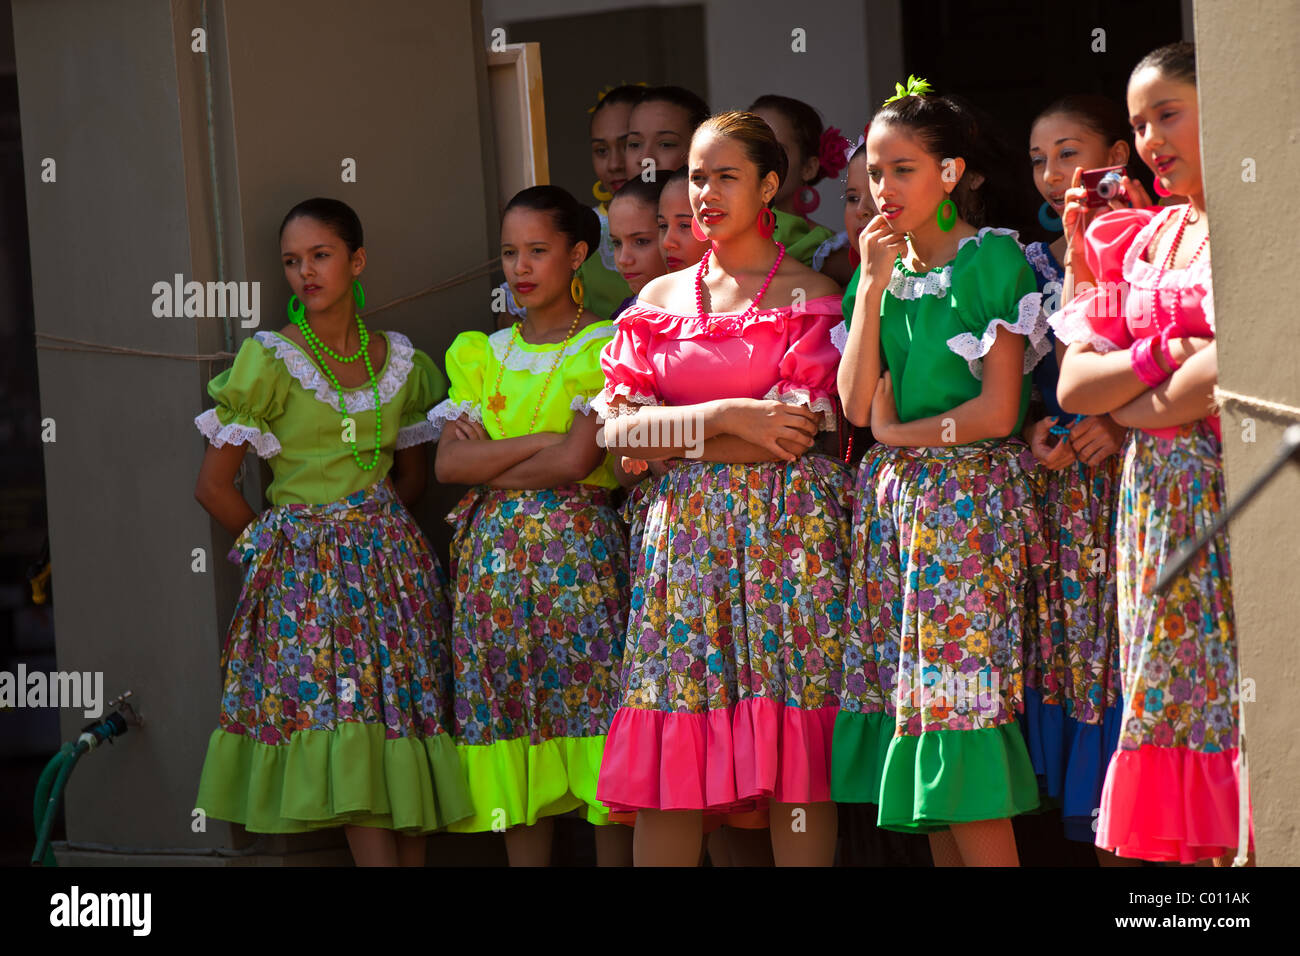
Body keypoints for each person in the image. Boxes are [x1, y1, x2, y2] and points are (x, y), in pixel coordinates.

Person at [593, 110, 849, 867]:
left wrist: (671, 430)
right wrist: (735, 414)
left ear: (770, 186)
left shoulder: (810, 295)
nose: (705, 192)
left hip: (787, 547)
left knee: (795, 759)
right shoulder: (656, 303)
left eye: (724, 176)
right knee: (673, 748)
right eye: (697, 176)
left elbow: (797, 435)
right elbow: (616, 434)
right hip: (682, 556)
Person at [192, 198, 472, 865]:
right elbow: (213, 486)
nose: (304, 273)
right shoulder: (269, 358)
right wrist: (282, 545)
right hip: (307, 578)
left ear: (357, 260)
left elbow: (414, 478)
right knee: (346, 726)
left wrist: (376, 530)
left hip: (395, 574)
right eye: (292, 261)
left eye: (320, 255)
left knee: (404, 723)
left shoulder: (401, 360)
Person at [833, 78, 1052, 866]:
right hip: (899, 511)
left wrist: (900, 432)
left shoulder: (993, 261)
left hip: (968, 505)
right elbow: (855, 405)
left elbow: (996, 415)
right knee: (925, 718)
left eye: (902, 170)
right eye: (874, 175)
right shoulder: (879, 270)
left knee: (959, 710)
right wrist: (867, 294)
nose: (883, 191)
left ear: (951, 175)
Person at [1051, 42, 1252, 866]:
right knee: (1164, 709)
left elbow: (1215, 381)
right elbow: (1071, 385)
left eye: (1168, 112)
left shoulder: (1257, 225)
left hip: (1230, 509)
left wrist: (1131, 401)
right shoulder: (1144, 237)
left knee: (1231, 713)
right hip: (1150, 519)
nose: (1149, 138)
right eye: (1137, 123)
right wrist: (1165, 351)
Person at [428, 185, 633, 866]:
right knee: (510, 731)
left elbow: (580, 460)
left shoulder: (607, 345)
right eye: (511, 252)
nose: (520, 267)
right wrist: (543, 441)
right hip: (492, 578)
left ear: (577, 254)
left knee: (598, 728)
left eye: (537, 251)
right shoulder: (481, 355)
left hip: (580, 566)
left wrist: (495, 460)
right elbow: (448, 465)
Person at [1020, 94, 1136, 858]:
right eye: (1039, 159)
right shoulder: (1039, 257)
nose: (1054, 172)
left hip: (1134, 480)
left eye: (1070, 153)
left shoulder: (1155, 240)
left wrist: (1119, 423)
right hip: (1066, 494)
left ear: (1117, 158)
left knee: (1129, 656)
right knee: (1079, 657)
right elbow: (1043, 376)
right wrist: (1036, 425)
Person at [750, 94, 855, 283]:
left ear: (808, 168)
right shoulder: (718, 228)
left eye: (776, 150)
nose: (759, 161)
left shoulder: (823, 249)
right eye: (750, 147)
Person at [606, 175, 668, 323]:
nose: (623, 260)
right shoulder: (623, 317)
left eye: (641, 241)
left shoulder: (704, 317)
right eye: (617, 243)